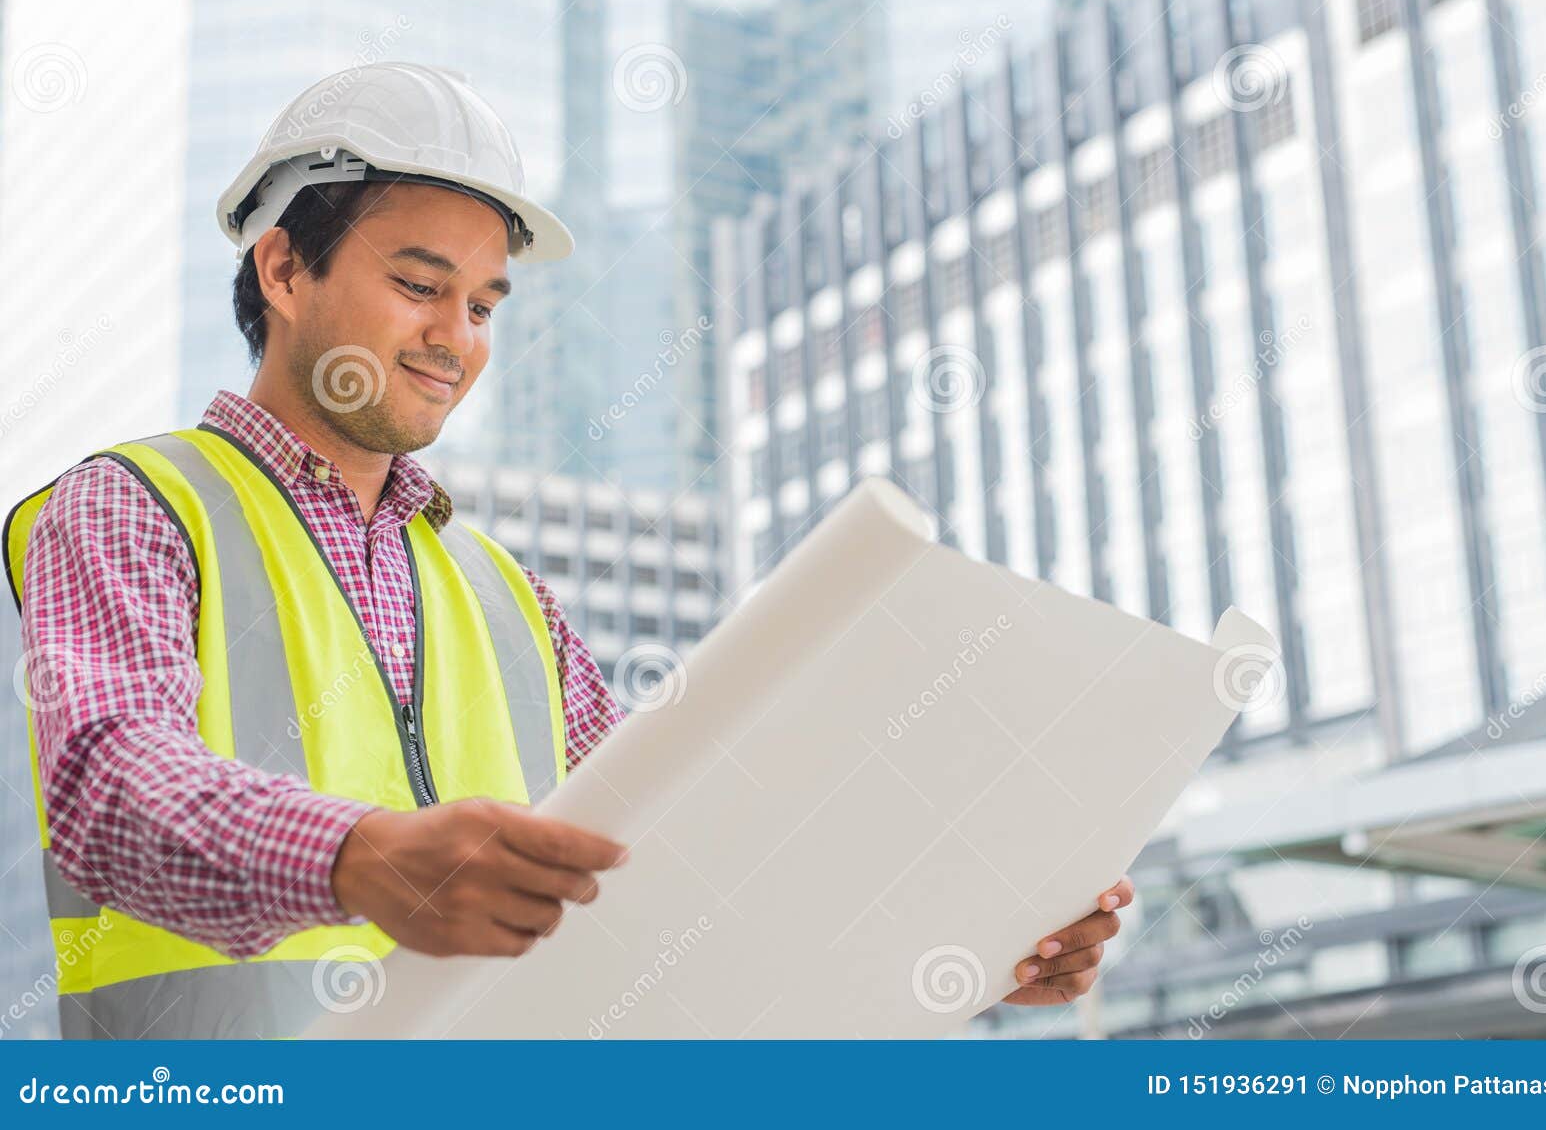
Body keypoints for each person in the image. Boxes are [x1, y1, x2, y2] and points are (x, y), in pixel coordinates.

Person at [6, 62, 1130, 1039]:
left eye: (485, 305)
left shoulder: (508, 603)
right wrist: (361, 859)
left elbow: (680, 864)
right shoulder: (129, 510)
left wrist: (968, 941)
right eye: (417, 285)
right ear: (285, 269)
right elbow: (108, 786)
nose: (456, 340)